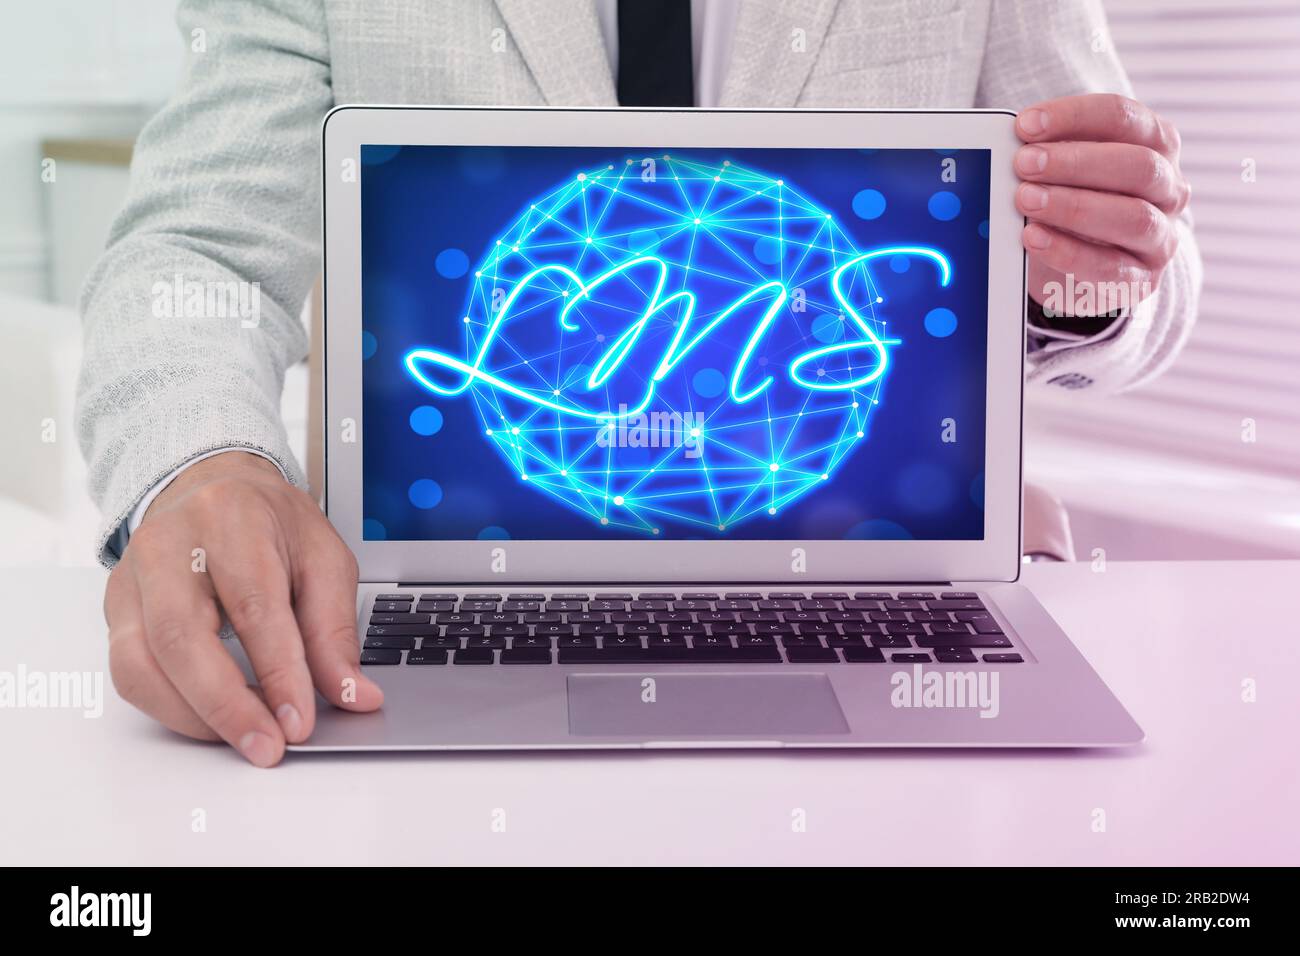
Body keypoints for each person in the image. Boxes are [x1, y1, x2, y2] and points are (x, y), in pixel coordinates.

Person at [77, 0, 1200, 766]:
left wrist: (1081, 280)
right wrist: (203, 456)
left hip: (874, 574)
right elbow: (202, 253)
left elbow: (1137, 243)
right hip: (454, 594)